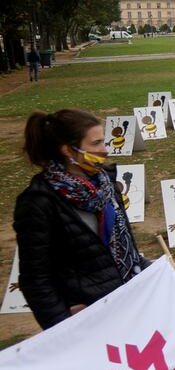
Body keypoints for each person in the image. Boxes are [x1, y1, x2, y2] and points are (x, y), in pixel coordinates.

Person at [13, 109, 157, 329]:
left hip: (128, 304)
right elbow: (35, 280)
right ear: (68, 150)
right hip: (89, 321)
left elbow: (129, 252)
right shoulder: (38, 203)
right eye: (96, 143)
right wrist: (63, 324)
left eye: (103, 141)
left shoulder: (106, 185)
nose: (105, 150)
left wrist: (167, 279)